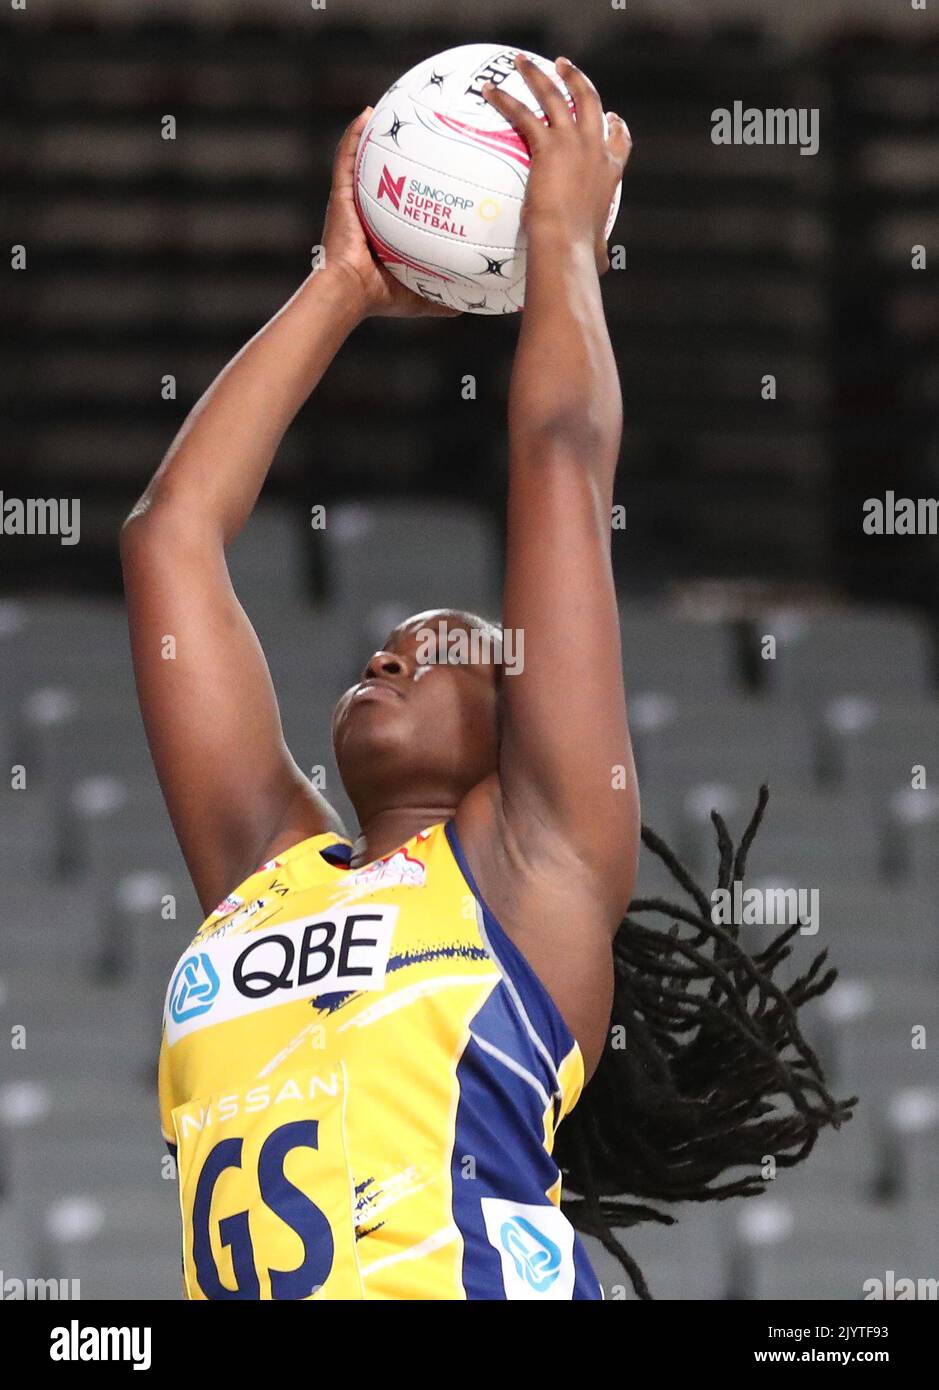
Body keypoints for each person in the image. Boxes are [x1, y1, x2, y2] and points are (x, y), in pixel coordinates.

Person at [121, 55, 850, 1301]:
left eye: (448, 639)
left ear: (526, 736)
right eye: (396, 641)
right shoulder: (264, 874)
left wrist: (565, 242)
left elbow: (559, 458)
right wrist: (338, 283)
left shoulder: (537, 868)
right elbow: (169, 535)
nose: (394, 650)